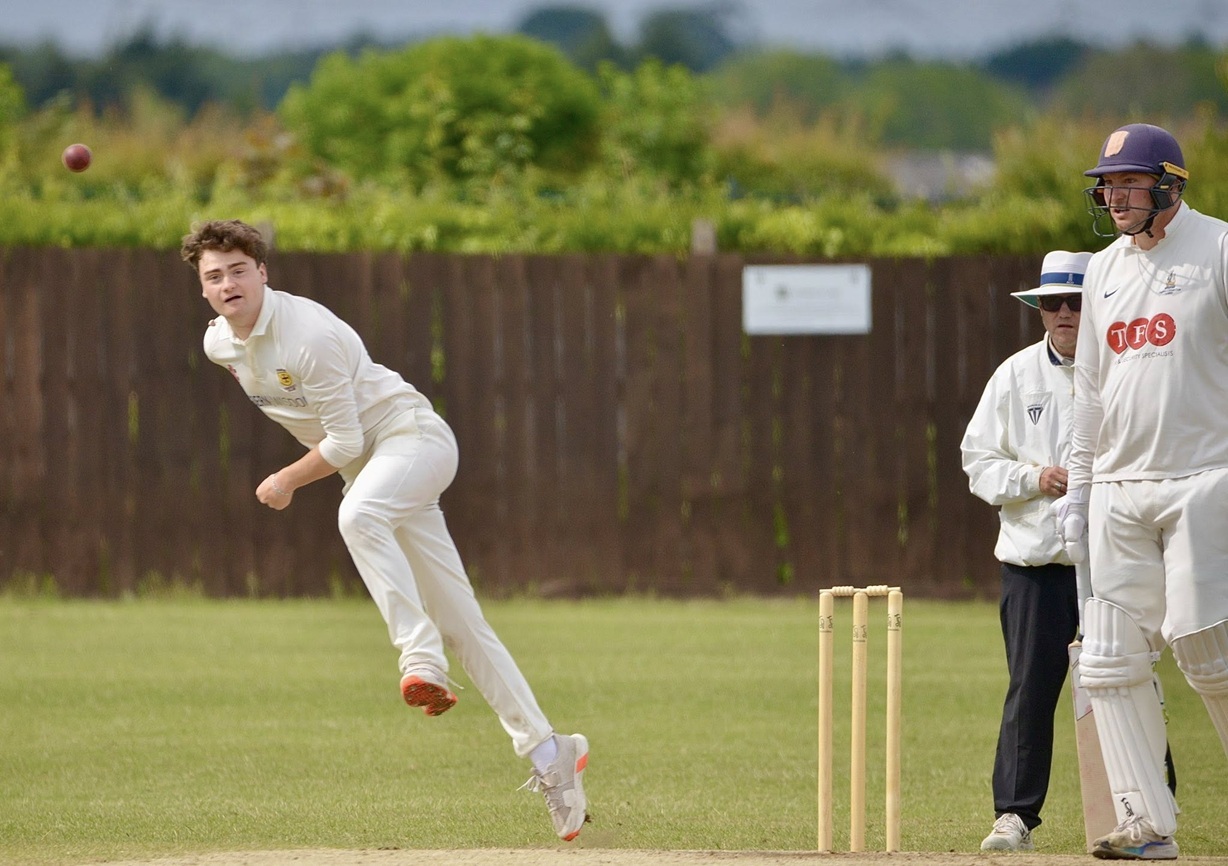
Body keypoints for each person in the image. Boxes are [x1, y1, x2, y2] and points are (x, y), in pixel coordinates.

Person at [181, 219, 589, 842]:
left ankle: (418, 656)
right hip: (374, 473)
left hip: (413, 440)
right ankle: (550, 751)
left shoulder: (308, 334)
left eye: (239, 269)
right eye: (215, 276)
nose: (228, 283)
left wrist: (286, 480)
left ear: (263, 272)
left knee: (358, 515)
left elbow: (344, 440)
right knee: (463, 621)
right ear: (204, 289)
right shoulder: (219, 345)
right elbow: (335, 441)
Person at [1057, 122, 1228, 860]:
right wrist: (1077, 491)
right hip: (1119, 490)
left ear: (1168, 184)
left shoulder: (1219, 248)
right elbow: (1090, 392)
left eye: (1127, 182)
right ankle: (1145, 823)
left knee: (1209, 655)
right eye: (1108, 184)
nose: (1114, 196)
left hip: (1205, 475)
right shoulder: (1102, 271)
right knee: (1107, 661)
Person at [961, 250, 1091, 852]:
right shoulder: (1014, 375)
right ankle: (1014, 817)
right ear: (1038, 309)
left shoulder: (1123, 370)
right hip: (1034, 565)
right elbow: (978, 461)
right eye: (1052, 303)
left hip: (1106, 564)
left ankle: (1146, 808)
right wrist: (1035, 479)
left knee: (1127, 686)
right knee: (1030, 690)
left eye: (1075, 301)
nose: (1063, 313)